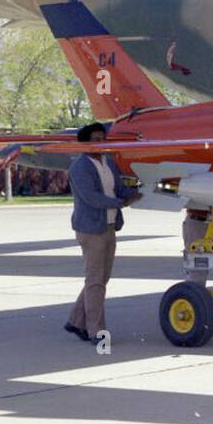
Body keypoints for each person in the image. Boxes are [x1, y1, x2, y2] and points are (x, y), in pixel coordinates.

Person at [64, 122, 142, 343]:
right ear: (86, 143)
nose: (101, 143)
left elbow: (118, 188)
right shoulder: (80, 167)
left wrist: (136, 193)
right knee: (96, 280)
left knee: (99, 279)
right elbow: (91, 197)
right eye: (96, 139)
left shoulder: (109, 163)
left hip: (108, 226)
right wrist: (120, 202)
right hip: (91, 229)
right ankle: (96, 331)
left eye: (102, 138)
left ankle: (75, 321)